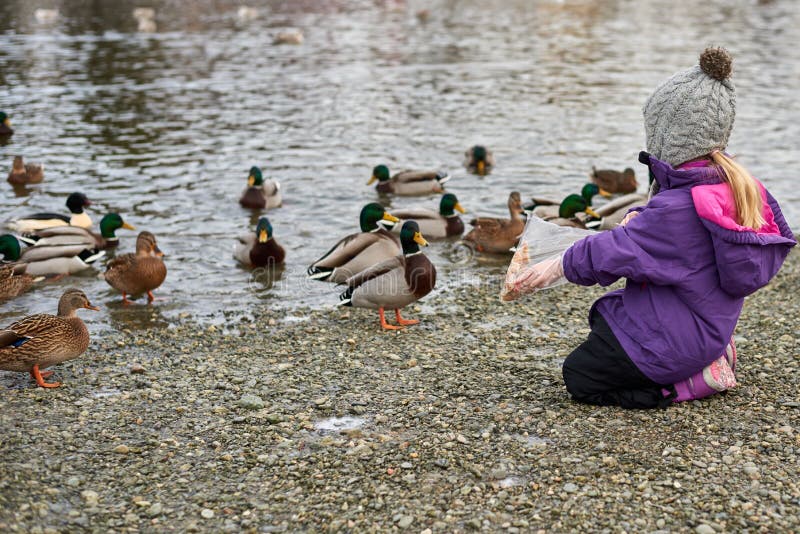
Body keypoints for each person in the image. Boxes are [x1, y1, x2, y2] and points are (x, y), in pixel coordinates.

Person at [516, 47, 796, 408]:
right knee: (606, 323)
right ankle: (711, 352)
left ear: (669, 135)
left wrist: (556, 265)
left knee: (581, 375)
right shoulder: (728, 187)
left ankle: (689, 382)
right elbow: (669, 234)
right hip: (709, 321)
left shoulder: (678, 207)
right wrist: (641, 218)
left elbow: (612, 250)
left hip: (684, 335)